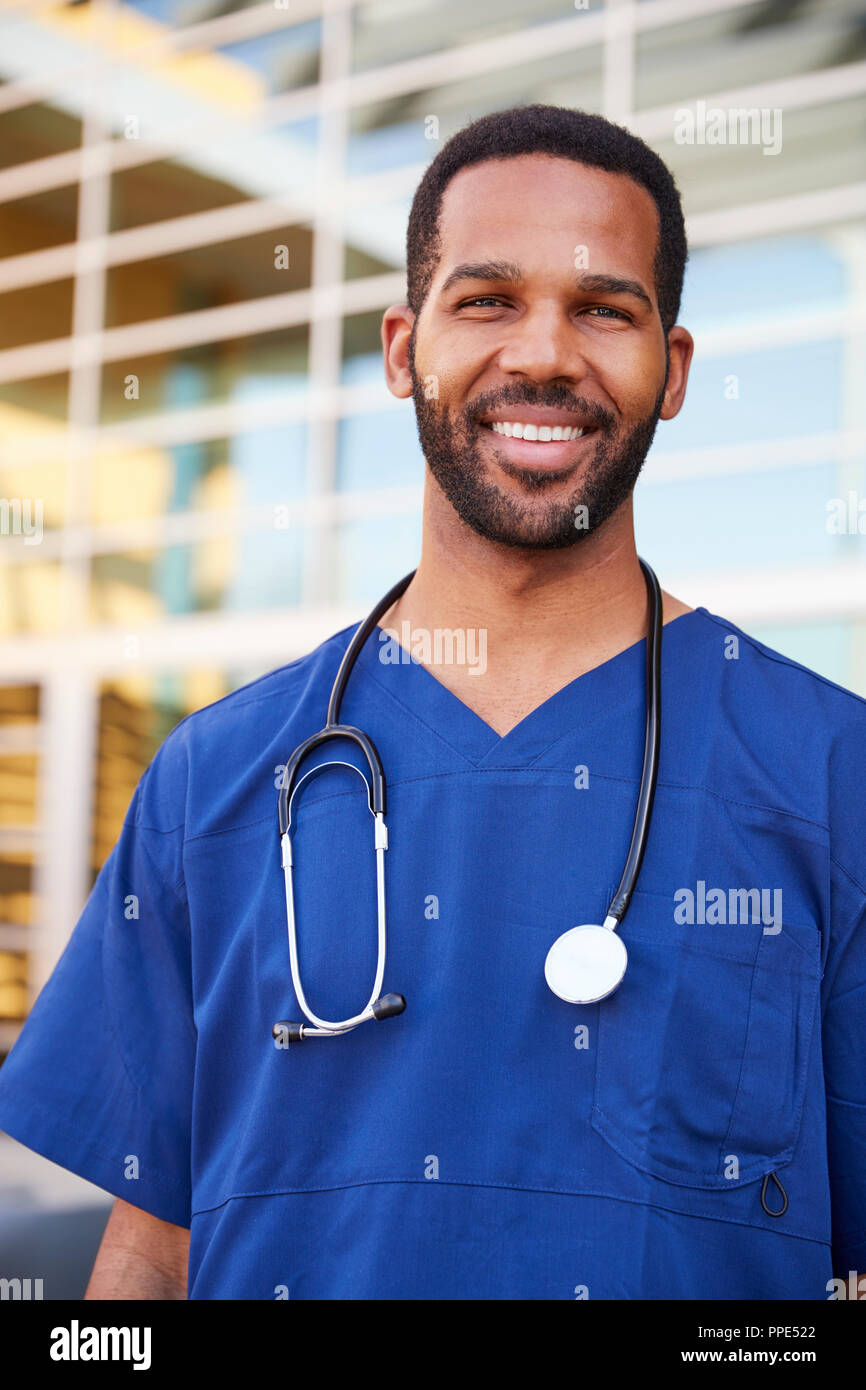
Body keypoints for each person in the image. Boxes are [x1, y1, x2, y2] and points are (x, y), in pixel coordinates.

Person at [0, 104, 864, 1302]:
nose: (545, 355)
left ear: (669, 372)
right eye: (488, 299)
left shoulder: (830, 775)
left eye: (603, 308)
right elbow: (152, 1250)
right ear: (404, 348)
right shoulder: (215, 777)